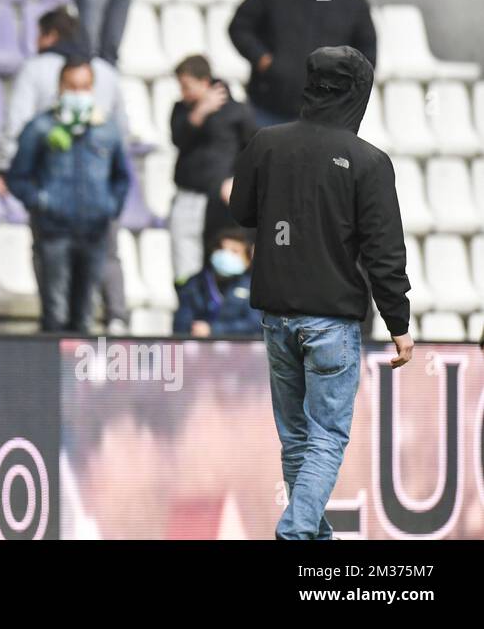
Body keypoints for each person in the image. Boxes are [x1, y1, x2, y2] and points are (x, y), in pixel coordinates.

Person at [229, 45, 413, 540]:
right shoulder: (369, 162)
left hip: (276, 316)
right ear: (359, 94)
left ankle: (314, 536)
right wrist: (399, 324)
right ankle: (296, 531)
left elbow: (241, 211)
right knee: (326, 437)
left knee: (297, 439)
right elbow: (384, 252)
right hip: (331, 321)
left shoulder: (266, 142)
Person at [0, 6, 128, 332]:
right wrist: (40, 201)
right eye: (72, 87)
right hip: (53, 227)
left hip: (95, 225)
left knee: (85, 313)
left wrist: (110, 206)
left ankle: (116, 319)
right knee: (54, 312)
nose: (79, 95)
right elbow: (19, 170)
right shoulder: (41, 128)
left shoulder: (106, 129)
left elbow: (122, 172)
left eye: (85, 88)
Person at [229, 0, 378, 129]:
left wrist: (343, 90)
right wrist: (263, 60)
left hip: (326, 116)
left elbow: (366, 54)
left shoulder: (354, 4)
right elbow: (240, 26)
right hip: (269, 107)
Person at [169, 54, 257, 285]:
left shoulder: (237, 112)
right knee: (185, 263)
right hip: (189, 195)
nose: (183, 92)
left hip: (221, 202)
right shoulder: (182, 110)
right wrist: (199, 113)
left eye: (187, 86)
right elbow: (178, 138)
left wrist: (236, 181)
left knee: (220, 260)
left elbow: (252, 151)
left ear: (205, 81)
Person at [173, 228, 262, 337]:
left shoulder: (252, 287)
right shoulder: (193, 284)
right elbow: (181, 323)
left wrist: (213, 329)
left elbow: (255, 325)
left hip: (238, 350)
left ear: (248, 260)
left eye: (234, 251)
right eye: (221, 249)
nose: (226, 255)